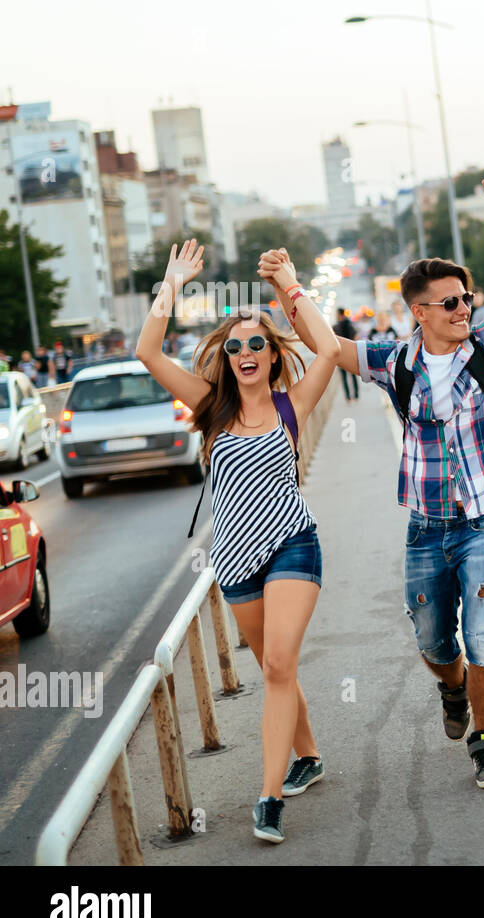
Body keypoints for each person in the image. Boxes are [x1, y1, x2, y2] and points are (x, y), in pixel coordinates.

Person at [267, 232, 484, 789]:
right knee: (435, 641)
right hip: (425, 526)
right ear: (419, 312)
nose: (464, 308)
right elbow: (327, 345)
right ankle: (452, 684)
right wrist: (288, 284)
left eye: (466, 298)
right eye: (450, 302)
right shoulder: (396, 363)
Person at [135, 239, 341, 843]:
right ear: (224, 360)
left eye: (258, 343)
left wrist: (290, 286)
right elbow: (147, 351)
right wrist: (170, 284)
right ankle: (308, 755)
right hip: (235, 561)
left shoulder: (292, 403)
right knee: (277, 667)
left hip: (293, 546)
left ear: (274, 358)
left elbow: (327, 347)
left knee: (278, 664)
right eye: (235, 346)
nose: (246, 351)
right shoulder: (209, 407)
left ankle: (269, 797)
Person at [332, 308, 360, 403]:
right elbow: (356, 337)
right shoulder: (351, 325)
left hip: (340, 355)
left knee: (344, 378)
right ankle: (356, 396)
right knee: (353, 375)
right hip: (352, 353)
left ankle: (348, 397)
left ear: (340, 315)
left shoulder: (335, 326)